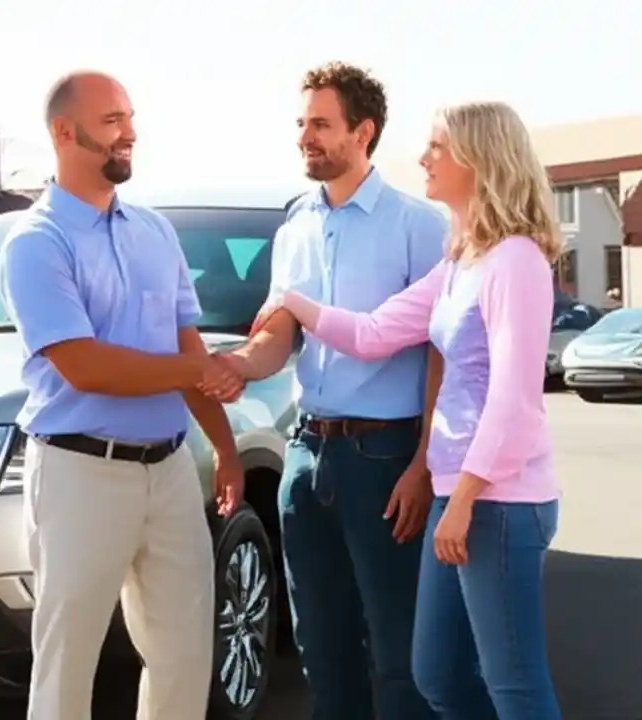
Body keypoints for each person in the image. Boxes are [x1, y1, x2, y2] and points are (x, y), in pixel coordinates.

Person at [264, 100, 564, 720]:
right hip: (462, 496)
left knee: (516, 687)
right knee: (438, 677)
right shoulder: (463, 260)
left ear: (480, 160)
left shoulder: (516, 262)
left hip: (499, 503)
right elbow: (375, 332)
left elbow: (513, 402)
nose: (423, 157)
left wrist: (460, 500)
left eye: (437, 147)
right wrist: (294, 302)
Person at [0, 70, 245, 720]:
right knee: (67, 661)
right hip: (79, 473)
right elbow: (85, 366)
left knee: (184, 654)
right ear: (63, 131)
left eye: (130, 118)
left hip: (168, 471)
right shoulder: (36, 242)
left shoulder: (154, 231)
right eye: (112, 121)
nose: (129, 133)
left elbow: (185, 344)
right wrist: (198, 371)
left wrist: (224, 446)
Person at [213, 62, 447, 720]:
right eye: (301, 123)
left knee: (399, 653)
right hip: (306, 455)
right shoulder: (294, 231)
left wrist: (423, 464)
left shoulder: (417, 226)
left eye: (320, 124)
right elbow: (278, 336)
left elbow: (442, 351)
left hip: (386, 460)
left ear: (362, 131)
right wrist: (232, 367)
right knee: (322, 646)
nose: (305, 136)